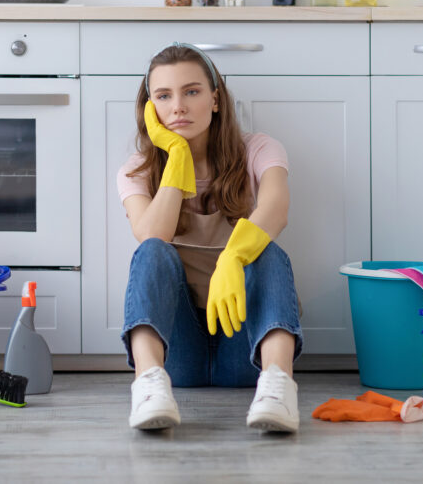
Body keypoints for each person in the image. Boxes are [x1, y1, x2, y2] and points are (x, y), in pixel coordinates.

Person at [117, 43, 303, 433]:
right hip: (179, 353)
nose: (178, 106)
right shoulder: (137, 170)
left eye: (192, 91)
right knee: (152, 251)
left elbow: (276, 210)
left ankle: (278, 387)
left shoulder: (258, 150)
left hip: (244, 346)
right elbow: (153, 235)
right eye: (163, 96)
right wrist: (177, 156)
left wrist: (233, 258)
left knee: (268, 251)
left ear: (215, 100)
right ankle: (149, 385)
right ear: (150, 109)